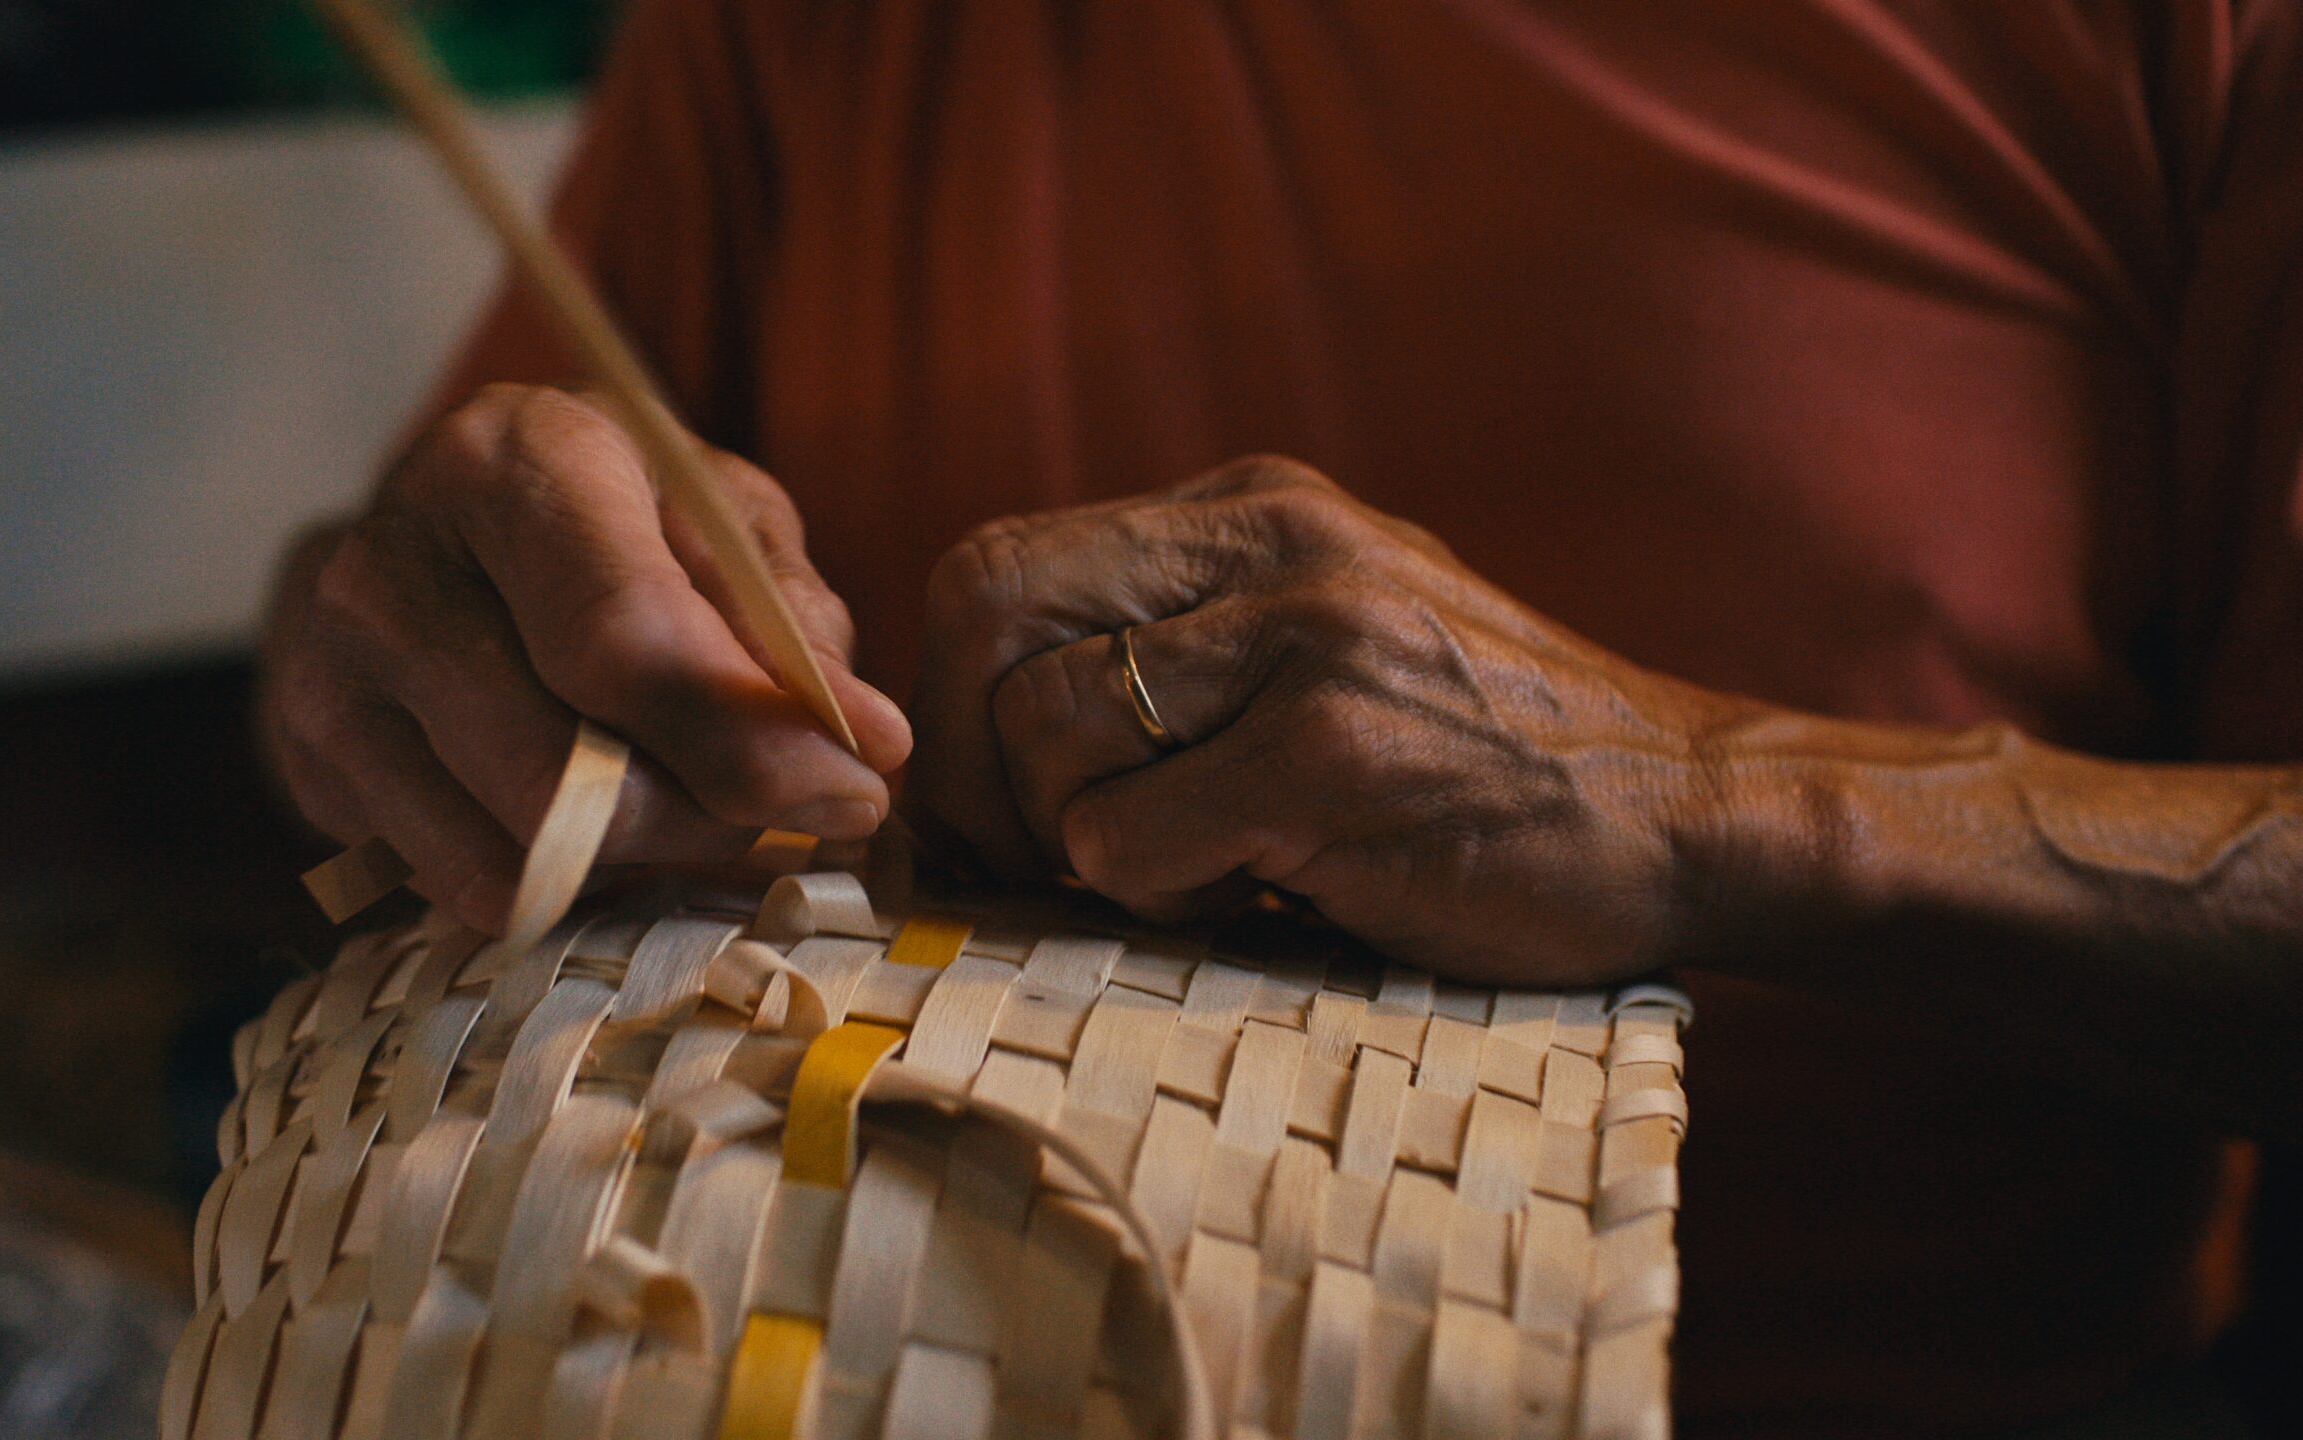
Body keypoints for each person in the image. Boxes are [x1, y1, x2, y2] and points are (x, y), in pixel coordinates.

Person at [259, 2, 2303, 1433]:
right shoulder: (805, 30)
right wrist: (402, 633)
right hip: (896, 1379)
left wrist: (1721, 802)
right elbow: (421, 627)